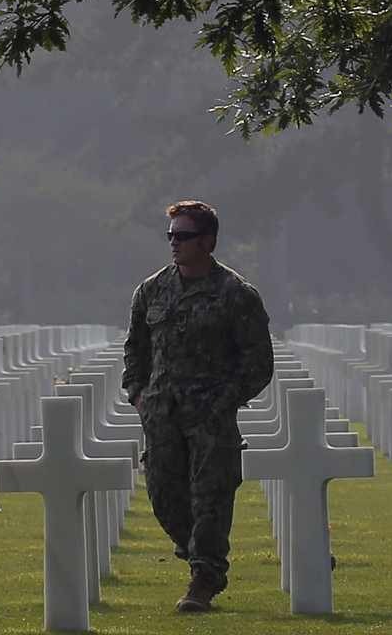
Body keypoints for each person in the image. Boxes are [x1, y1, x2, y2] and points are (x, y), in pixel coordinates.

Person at [121, 199, 275, 612]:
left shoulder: (236, 295)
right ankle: (200, 560)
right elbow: (136, 349)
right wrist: (138, 394)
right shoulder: (152, 290)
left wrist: (223, 403)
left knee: (210, 499)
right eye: (171, 235)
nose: (174, 243)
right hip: (162, 416)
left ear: (207, 241)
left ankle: (203, 580)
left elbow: (258, 363)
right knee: (164, 497)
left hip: (210, 419)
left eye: (183, 236)